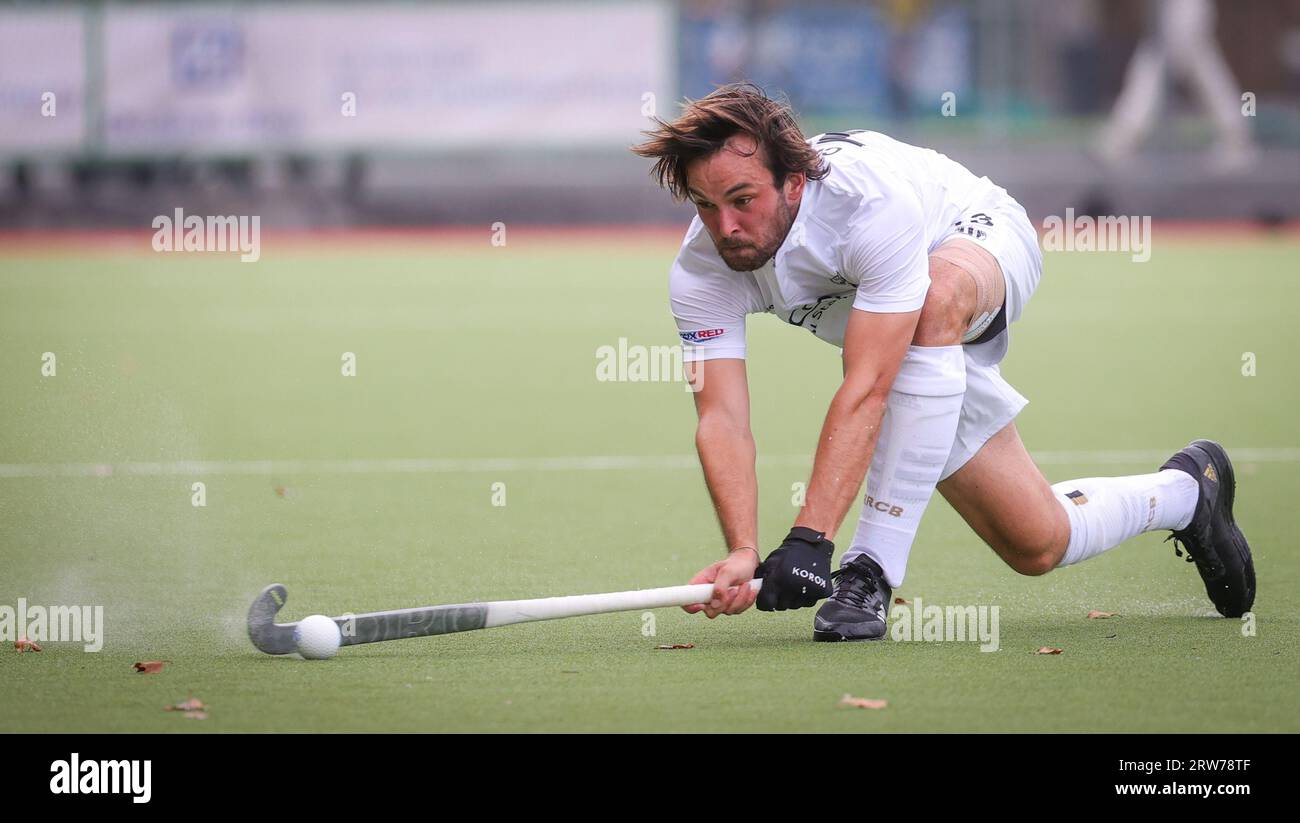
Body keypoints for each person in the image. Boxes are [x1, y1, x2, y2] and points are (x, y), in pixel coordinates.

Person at [630, 83, 1254, 641]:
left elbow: (868, 385)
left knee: (931, 302)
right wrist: (742, 549)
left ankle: (870, 571)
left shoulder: (864, 205)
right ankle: (1186, 494)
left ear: (792, 181)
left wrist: (810, 540)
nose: (726, 226)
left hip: (972, 239)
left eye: (742, 200)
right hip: (896, 334)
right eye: (706, 206)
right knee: (1036, 541)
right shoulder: (700, 271)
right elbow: (722, 419)